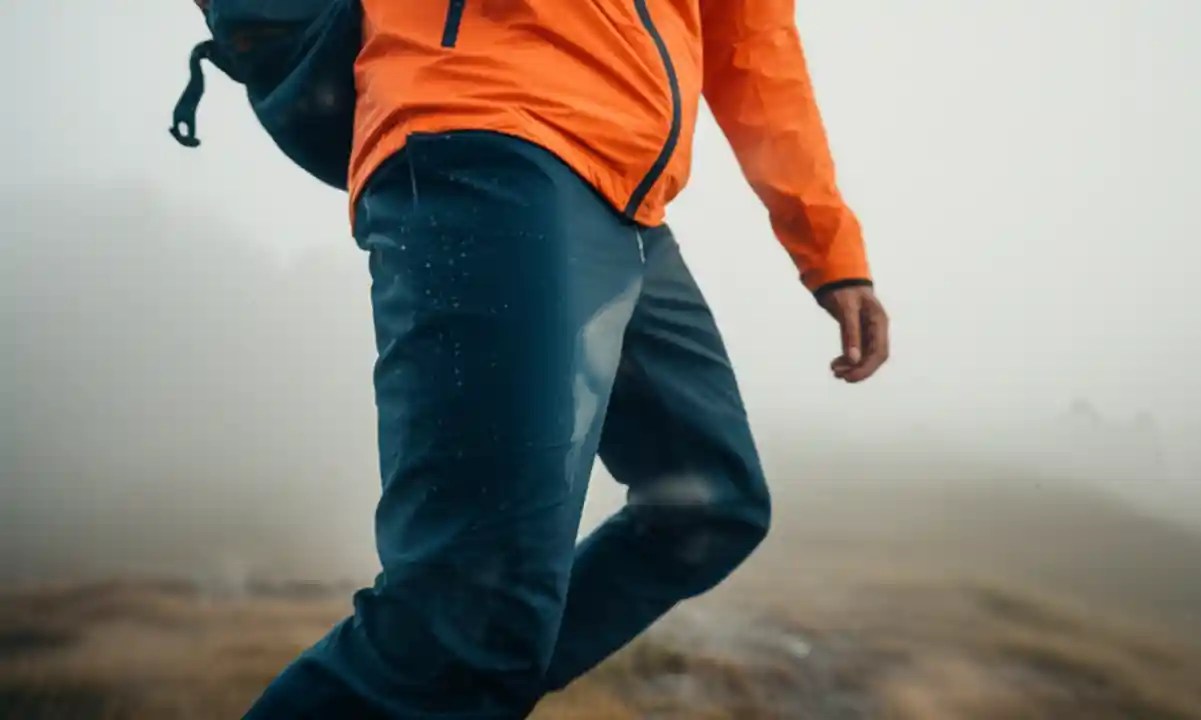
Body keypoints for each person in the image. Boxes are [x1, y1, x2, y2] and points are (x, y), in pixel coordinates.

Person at [245, 0, 890, 717]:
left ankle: (474, 679)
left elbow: (753, 41)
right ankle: (465, 671)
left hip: (626, 194)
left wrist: (832, 251)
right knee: (462, 616)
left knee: (711, 505)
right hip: (491, 130)